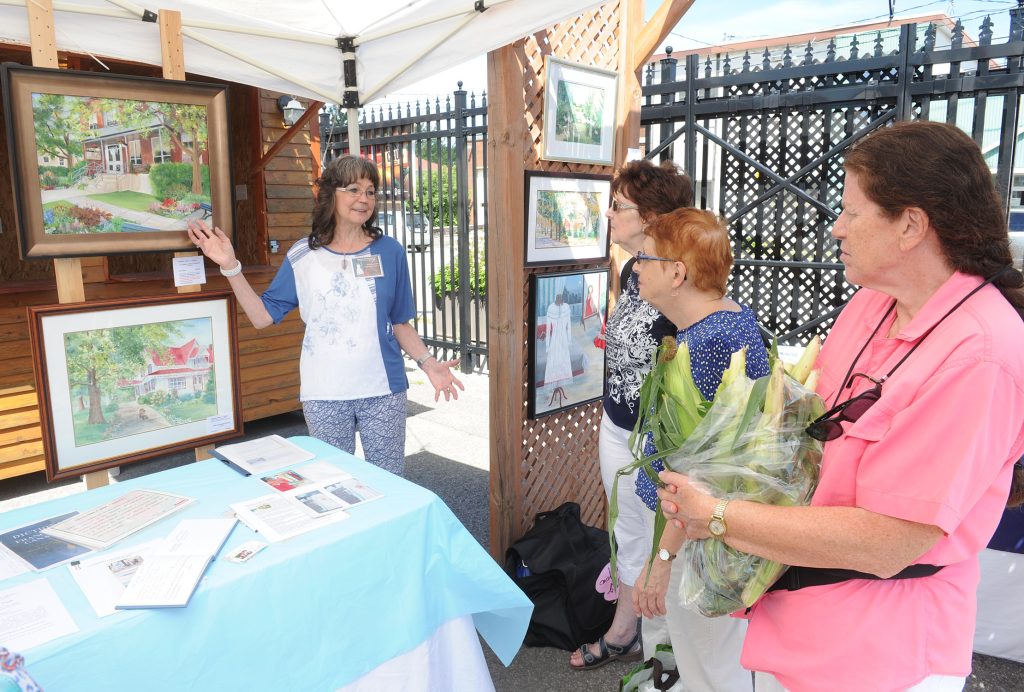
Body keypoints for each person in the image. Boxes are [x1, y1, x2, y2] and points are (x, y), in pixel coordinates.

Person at [657, 120, 1024, 691]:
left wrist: (721, 517)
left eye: (852, 213)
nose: (836, 229)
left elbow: (893, 541)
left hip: (880, 657)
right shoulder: (875, 302)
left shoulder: (980, 352)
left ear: (910, 225)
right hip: (801, 632)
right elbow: (807, 428)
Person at [187, 155, 463, 476]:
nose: (364, 199)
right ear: (330, 194)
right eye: (354, 189)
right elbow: (262, 316)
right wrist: (230, 266)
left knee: (389, 481)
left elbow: (400, 321)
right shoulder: (303, 255)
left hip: (383, 390)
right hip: (324, 393)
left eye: (371, 191)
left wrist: (429, 364)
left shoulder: (390, 251)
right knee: (334, 481)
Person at [631, 208, 769, 692]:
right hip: (699, 527)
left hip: (698, 535)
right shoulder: (728, 321)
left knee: (710, 668)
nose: (636, 266)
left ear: (677, 272)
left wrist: (661, 562)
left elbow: (700, 472)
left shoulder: (708, 343)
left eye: (645, 257)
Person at [570, 159, 692, 670]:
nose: (609, 215)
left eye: (618, 206)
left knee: (665, 541)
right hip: (616, 424)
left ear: (652, 216)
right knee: (627, 532)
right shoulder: (630, 268)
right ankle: (625, 632)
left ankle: (665, 647)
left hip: (657, 439)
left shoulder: (681, 276)